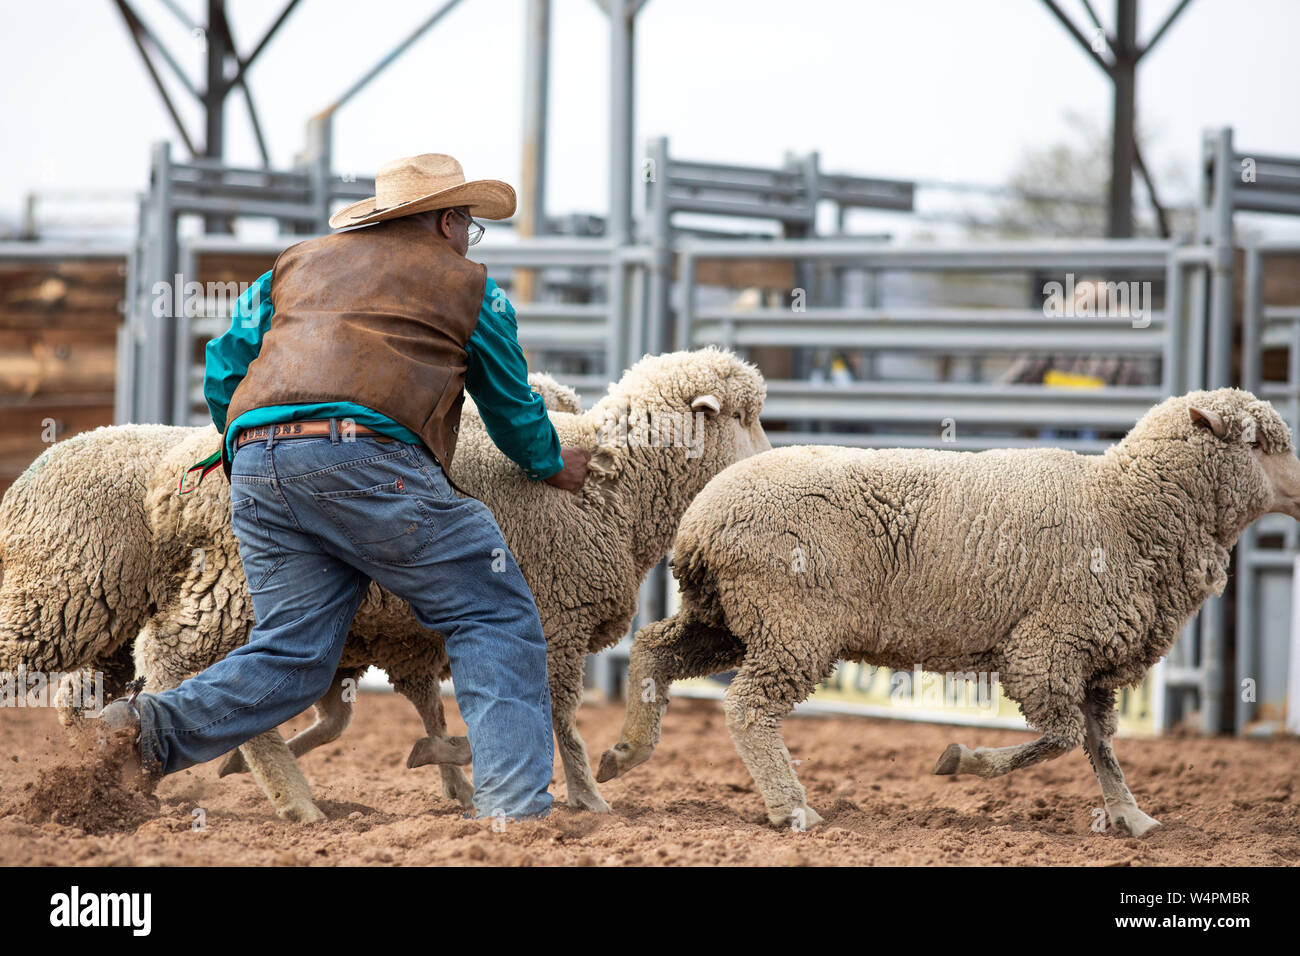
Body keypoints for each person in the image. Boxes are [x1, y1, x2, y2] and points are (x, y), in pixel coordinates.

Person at [99, 153, 589, 821]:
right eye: (468, 224)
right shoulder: (471, 288)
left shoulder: (294, 267)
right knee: (491, 612)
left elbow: (225, 366)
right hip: (368, 459)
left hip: (259, 464)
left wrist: (254, 451)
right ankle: (515, 809)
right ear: (446, 221)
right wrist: (550, 463)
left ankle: (147, 732)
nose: (468, 239)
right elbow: (507, 402)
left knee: (293, 653)